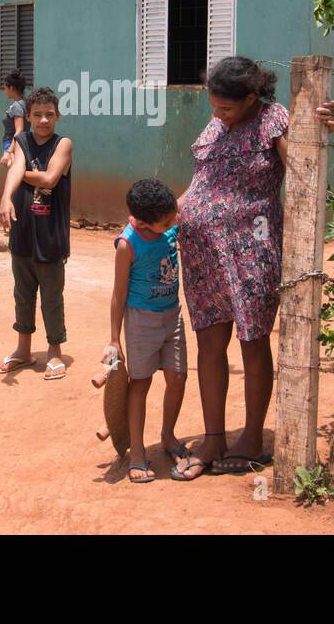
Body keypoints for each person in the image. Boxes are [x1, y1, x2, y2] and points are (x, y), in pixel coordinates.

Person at [176, 56, 334, 474]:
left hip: (252, 250)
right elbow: (201, 183)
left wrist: (321, 127)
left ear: (250, 98)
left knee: (252, 339)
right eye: (214, 106)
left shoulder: (272, 119)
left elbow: (304, 163)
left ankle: (251, 438)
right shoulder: (215, 126)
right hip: (202, 255)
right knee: (209, 343)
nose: (218, 114)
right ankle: (214, 439)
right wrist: (167, 212)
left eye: (226, 107)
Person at [106, 179, 204, 483]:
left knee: (178, 377)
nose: (175, 222)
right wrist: (113, 340)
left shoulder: (168, 225)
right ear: (146, 222)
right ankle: (137, 452)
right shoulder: (127, 244)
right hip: (140, 322)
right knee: (141, 384)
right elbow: (118, 294)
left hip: (172, 317)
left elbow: (185, 199)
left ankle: (168, 435)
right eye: (167, 220)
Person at [0, 88, 73, 381]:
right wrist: (6, 197)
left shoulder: (63, 144)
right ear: (27, 116)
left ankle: (54, 353)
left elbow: (50, 179)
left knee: (52, 297)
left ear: (57, 116)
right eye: (37, 115)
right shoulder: (21, 139)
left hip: (51, 235)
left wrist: (19, 166)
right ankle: (23, 351)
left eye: (49, 115)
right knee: (22, 295)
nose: (43, 120)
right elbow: (14, 174)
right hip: (23, 232)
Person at [0, 70, 29, 168]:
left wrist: (9, 151)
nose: (4, 91)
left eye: (5, 88)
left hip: (13, 144)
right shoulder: (25, 103)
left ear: (11, 88)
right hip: (20, 144)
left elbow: (19, 130)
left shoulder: (17, 106)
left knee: (14, 173)